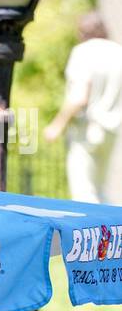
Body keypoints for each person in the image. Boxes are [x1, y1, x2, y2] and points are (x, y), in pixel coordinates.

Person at [45, 11, 122, 203]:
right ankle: (109, 232)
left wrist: (57, 126)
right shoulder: (118, 52)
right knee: (101, 189)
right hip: (112, 129)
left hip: (86, 129)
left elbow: (79, 96)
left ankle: (89, 233)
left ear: (82, 32)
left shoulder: (83, 52)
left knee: (84, 192)